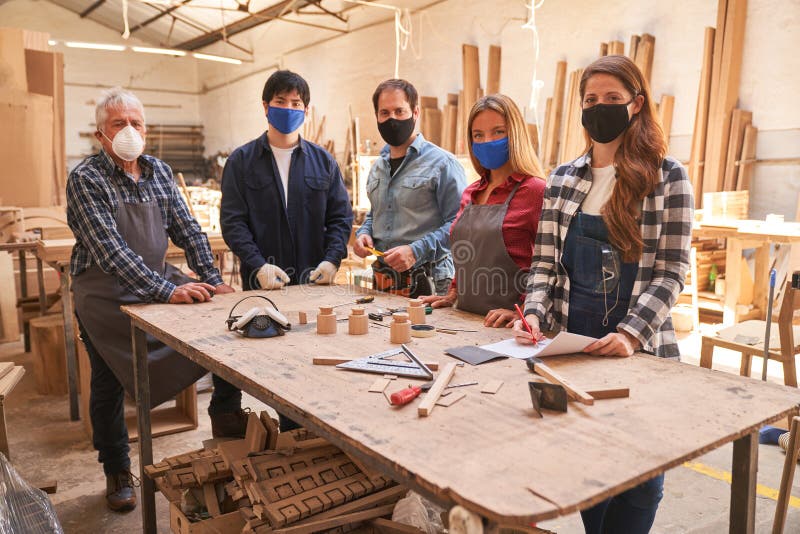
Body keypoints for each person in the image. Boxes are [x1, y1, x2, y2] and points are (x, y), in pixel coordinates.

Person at [512, 55, 693, 533]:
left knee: (642, 473)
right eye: (591, 100)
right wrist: (532, 316)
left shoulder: (666, 176)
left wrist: (632, 334)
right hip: (574, 343)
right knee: (586, 465)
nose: (600, 108)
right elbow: (545, 263)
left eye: (613, 99)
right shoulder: (564, 178)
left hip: (638, 346)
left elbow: (673, 268)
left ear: (635, 105)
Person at [67, 88, 238, 512]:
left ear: (148, 130)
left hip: (156, 283)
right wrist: (169, 291)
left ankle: (231, 437)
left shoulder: (160, 172)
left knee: (224, 333)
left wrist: (213, 280)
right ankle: (117, 470)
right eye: (118, 124)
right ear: (99, 134)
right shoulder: (86, 179)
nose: (129, 131)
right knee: (108, 381)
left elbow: (188, 230)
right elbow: (111, 252)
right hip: (104, 293)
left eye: (136, 123)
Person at [220, 70, 353, 430]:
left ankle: (306, 438)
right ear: (265, 106)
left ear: (306, 111)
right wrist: (258, 264)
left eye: (296, 103)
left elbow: (341, 218)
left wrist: (331, 258)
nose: (288, 108)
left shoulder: (323, 162)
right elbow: (233, 222)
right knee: (266, 367)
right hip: (264, 290)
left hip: (313, 288)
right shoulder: (241, 161)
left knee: (311, 368)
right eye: (281, 101)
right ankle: (246, 433)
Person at [421, 94, 546, 327]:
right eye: (478, 135)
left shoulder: (536, 191)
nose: (487, 141)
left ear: (515, 134)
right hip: (467, 320)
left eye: (498, 132)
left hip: (509, 328)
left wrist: (524, 313)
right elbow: (468, 253)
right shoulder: (471, 193)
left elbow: (550, 267)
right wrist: (452, 294)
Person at [353, 79, 466, 297]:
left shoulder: (442, 164)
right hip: (385, 279)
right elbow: (377, 213)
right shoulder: (377, 167)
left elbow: (459, 226)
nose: (392, 119)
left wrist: (416, 251)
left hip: (430, 281)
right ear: (376, 116)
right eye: (384, 113)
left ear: (415, 113)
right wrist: (365, 234)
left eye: (399, 111)